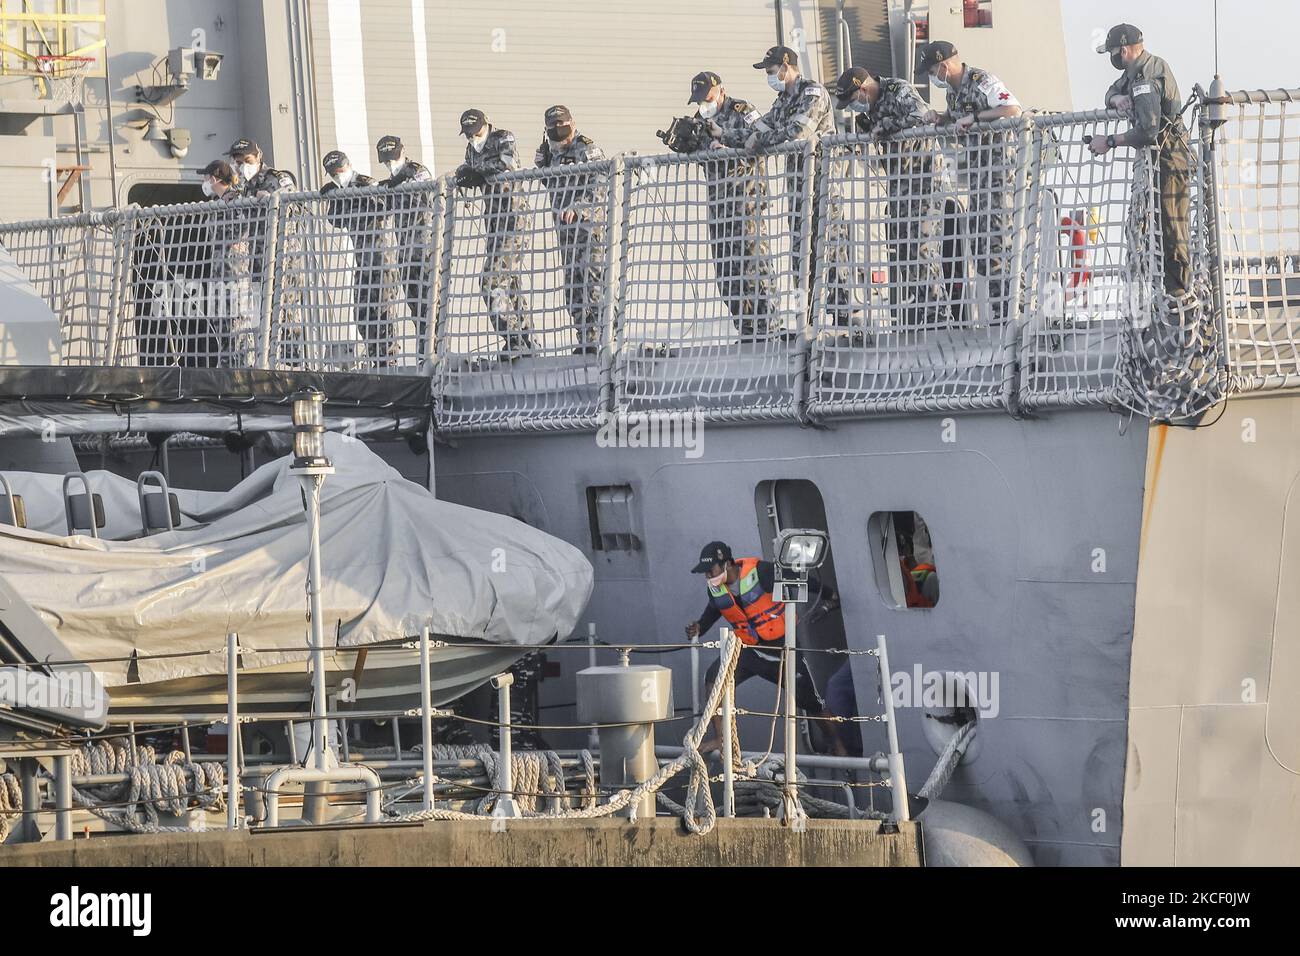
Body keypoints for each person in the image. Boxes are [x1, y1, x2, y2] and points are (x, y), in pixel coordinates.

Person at [685, 540, 844, 754]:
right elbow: (713, 611)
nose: (707, 576)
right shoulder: (715, 590)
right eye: (704, 573)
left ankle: (838, 745)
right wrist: (699, 627)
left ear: (727, 564)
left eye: (710, 570)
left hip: (783, 650)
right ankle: (721, 738)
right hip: (750, 651)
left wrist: (829, 595)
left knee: (813, 704)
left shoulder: (762, 572)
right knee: (714, 680)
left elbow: (798, 579)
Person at [919, 41, 1022, 323]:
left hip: (998, 170)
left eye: (931, 71)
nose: (932, 77)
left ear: (943, 65)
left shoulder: (981, 81)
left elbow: (1012, 109)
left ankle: (1015, 309)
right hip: (978, 175)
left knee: (999, 240)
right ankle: (1001, 310)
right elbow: (956, 118)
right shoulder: (954, 93)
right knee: (981, 245)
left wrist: (975, 118)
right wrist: (940, 117)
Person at [835, 66, 947, 328]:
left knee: (923, 246)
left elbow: (921, 114)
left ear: (862, 89)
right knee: (904, 249)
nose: (854, 108)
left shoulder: (897, 90)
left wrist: (886, 126)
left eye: (853, 101)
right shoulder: (870, 110)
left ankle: (938, 316)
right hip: (899, 185)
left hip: (924, 179)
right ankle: (927, 311)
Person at [749, 45, 852, 326]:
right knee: (800, 253)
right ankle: (806, 316)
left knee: (831, 248)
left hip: (822, 183)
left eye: (771, 71)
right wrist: (728, 136)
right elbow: (760, 126)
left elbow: (798, 132)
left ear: (786, 67)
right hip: (798, 188)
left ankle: (843, 316)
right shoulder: (783, 101)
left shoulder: (812, 93)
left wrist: (762, 138)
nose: (770, 77)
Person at [1089, 23, 1191, 298]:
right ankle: (1163, 290)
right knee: (1152, 225)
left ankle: (1178, 294)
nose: (1113, 59)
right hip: (1155, 162)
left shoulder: (1146, 76)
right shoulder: (1135, 72)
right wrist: (1117, 98)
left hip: (1169, 159)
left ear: (1123, 50)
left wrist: (1109, 142)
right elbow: (1111, 90)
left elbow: (1148, 131)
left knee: (1172, 225)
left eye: (1113, 53)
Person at [687, 71, 775, 339]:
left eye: (708, 98)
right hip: (719, 203)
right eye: (700, 100)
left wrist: (726, 139)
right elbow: (698, 154)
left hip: (746, 199)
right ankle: (745, 327)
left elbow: (763, 136)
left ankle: (766, 325)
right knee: (726, 270)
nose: (705, 104)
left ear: (721, 91)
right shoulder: (701, 119)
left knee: (752, 263)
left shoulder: (742, 110)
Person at [454, 108, 535, 358]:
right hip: (494, 222)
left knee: (491, 280)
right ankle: (523, 340)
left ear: (485, 124)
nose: (472, 137)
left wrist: (480, 173)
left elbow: (507, 164)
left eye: (475, 131)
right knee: (509, 282)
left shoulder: (503, 138)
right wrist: (465, 176)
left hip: (514, 219)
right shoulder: (471, 148)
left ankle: (512, 337)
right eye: (468, 134)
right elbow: (471, 169)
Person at [534, 105, 608, 355]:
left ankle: (605, 338)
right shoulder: (551, 152)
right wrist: (542, 167)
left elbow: (600, 183)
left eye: (564, 128)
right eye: (554, 131)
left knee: (594, 284)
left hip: (589, 229)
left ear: (573, 124)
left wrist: (579, 207)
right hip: (566, 233)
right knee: (573, 289)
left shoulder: (586, 148)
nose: (561, 136)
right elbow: (552, 183)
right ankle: (585, 339)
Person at [225, 138, 303, 365]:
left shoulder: (276, 178)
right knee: (262, 315)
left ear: (258, 158)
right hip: (258, 261)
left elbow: (296, 203)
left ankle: (293, 365)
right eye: (237, 162)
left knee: (285, 313)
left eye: (246, 161)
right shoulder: (245, 186)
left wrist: (272, 200)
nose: (241, 166)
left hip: (283, 260)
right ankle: (269, 362)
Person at [320, 150, 398, 364]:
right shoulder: (341, 189)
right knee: (362, 315)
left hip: (381, 259)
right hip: (362, 262)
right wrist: (334, 196)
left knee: (382, 312)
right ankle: (375, 358)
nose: (338, 176)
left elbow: (385, 207)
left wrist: (363, 194)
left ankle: (388, 360)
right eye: (333, 174)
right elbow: (335, 221)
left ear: (349, 165)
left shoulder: (365, 183)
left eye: (340, 171)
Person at [377, 134, 436, 361]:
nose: (390, 164)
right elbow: (387, 209)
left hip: (424, 247)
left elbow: (423, 186)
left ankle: (435, 350)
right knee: (415, 305)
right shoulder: (393, 178)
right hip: (405, 249)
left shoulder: (415, 170)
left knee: (430, 302)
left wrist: (397, 183)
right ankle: (424, 352)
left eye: (392, 158)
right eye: (386, 161)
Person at [201, 159, 258, 367]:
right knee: (222, 324)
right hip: (220, 275)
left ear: (214, 179)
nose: (204, 182)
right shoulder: (218, 205)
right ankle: (227, 367)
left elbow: (243, 230)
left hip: (234, 274)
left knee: (238, 323)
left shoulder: (236, 201)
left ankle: (245, 368)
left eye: (206, 178)